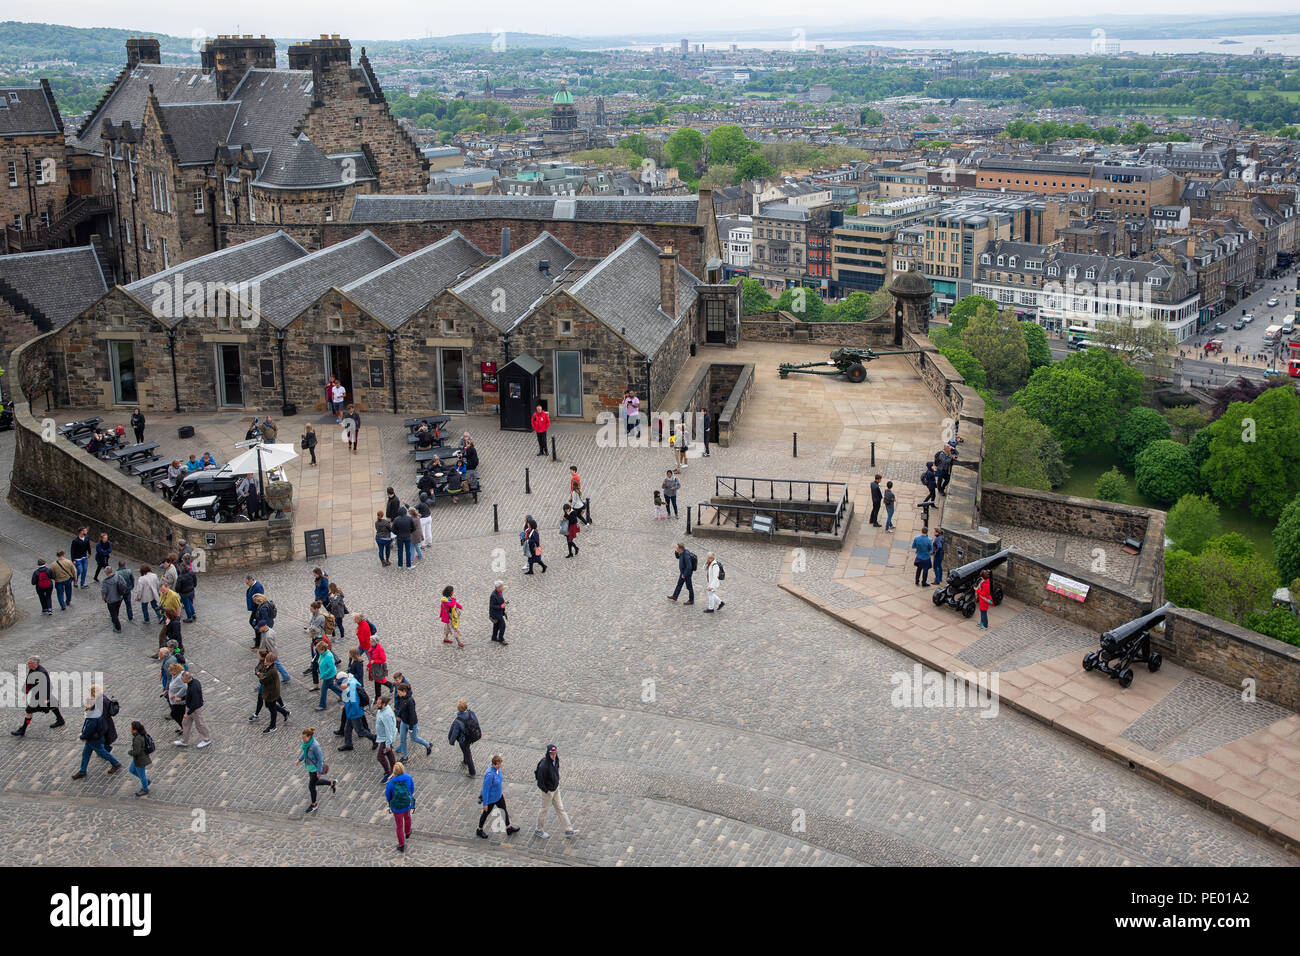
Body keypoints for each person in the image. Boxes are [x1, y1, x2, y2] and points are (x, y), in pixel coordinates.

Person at [11, 657, 65, 736]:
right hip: (39, 694)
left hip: (41, 697)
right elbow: (28, 681)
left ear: (34, 664)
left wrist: (46, 700)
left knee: (29, 711)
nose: (27, 664)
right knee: (53, 704)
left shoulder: (42, 672)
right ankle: (60, 720)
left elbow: (47, 686)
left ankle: (23, 729)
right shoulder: (32, 669)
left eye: (29, 663)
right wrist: (25, 692)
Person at [72, 693, 121, 780]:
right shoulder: (93, 711)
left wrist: (82, 737)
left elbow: (89, 730)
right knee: (86, 754)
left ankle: (116, 764)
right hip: (93, 739)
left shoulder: (93, 716)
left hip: (94, 740)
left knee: (103, 754)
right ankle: (82, 771)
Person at [533, 744, 578, 838]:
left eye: (555, 753)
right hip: (548, 792)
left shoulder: (556, 760)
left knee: (560, 808)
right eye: (552, 754)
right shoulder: (543, 765)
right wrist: (546, 791)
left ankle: (568, 830)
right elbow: (540, 782)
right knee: (544, 810)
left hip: (556, 789)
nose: (554, 755)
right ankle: (538, 830)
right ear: (548, 753)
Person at [477, 754, 520, 839]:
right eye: (497, 764)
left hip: (499, 796)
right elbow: (485, 790)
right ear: (493, 764)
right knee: (485, 814)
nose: (499, 766)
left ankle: (508, 828)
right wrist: (485, 803)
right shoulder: (489, 775)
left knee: (504, 810)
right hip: (491, 799)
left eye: (500, 764)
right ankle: (479, 829)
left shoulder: (498, 770)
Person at [297, 728, 336, 814]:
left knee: (311, 786)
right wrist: (299, 760)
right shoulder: (306, 744)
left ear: (309, 736)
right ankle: (332, 783)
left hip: (315, 769)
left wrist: (318, 772)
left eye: (304, 738)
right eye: (302, 737)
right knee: (315, 782)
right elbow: (305, 752)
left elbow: (320, 760)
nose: (302, 739)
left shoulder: (315, 746)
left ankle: (314, 804)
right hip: (310, 767)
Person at [337, 673, 375, 751]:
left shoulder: (351, 691)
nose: (339, 688)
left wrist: (351, 714)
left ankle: (374, 738)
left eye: (340, 686)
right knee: (347, 729)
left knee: (360, 731)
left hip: (354, 714)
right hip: (352, 713)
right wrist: (345, 706)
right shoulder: (351, 685)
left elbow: (354, 704)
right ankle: (348, 744)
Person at [393, 683, 432, 760]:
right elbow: (401, 708)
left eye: (399, 692)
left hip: (411, 724)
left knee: (414, 738)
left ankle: (427, 745)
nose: (397, 693)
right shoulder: (402, 698)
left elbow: (412, 715)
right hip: (404, 722)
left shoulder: (410, 701)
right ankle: (405, 756)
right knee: (402, 739)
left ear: (403, 691)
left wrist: (411, 728)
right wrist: (399, 716)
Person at [175, 672, 212, 748]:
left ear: (187, 679)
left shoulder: (193, 687)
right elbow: (189, 696)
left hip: (195, 709)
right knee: (185, 723)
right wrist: (181, 699)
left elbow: (195, 703)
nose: (181, 680)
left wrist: (188, 713)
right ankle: (184, 741)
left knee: (200, 724)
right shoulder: (194, 682)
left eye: (182, 679)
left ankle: (206, 739)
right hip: (191, 707)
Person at [385, 761, 416, 851]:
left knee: (399, 826)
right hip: (407, 804)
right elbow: (412, 789)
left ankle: (401, 844)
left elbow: (388, 796)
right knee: (407, 817)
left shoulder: (391, 783)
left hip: (397, 807)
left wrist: (390, 802)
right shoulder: (408, 778)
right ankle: (408, 832)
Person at [258, 653, 291, 734]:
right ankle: (285, 712)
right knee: (270, 706)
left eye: (267, 661)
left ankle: (273, 726)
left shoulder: (272, 671)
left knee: (272, 709)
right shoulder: (269, 667)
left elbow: (263, 679)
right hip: (269, 691)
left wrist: (259, 674)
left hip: (271, 692)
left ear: (272, 662)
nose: (265, 662)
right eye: (265, 660)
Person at [448, 700, 479, 776]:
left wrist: (451, 741)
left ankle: (472, 772)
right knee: (466, 750)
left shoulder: (458, 721)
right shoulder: (471, 713)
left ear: (458, 709)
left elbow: (454, 733)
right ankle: (465, 761)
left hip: (463, 740)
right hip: (471, 736)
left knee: (467, 753)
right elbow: (476, 722)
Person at [100, 564, 127, 632]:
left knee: (113, 614)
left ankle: (118, 627)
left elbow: (104, 592)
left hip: (111, 600)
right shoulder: (118, 576)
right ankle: (115, 620)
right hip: (119, 598)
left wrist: (104, 599)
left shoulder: (105, 582)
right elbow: (124, 584)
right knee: (116, 610)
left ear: (106, 573)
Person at [315, 640, 341, 710]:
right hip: (326, 675)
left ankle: (322, 705)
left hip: (328, 676)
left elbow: (331, 668)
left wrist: (323, 675)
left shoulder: (328, 656)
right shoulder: (322, 654)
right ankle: (343, 695)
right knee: (332, 686)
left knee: (323, 690)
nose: (318, 652)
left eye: (319, 650)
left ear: (323, 649)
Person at [128, 721, 152, 796]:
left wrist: (130, 752)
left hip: (140, 760)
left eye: (131, 728)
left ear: (135, 730)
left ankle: (145, 789)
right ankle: (146, 781)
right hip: (138, 759)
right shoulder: (139, 735)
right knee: (131, 769)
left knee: (142, 775)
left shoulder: (137, 739)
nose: (130, 729)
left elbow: (136, 752)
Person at [368, 637, 391, 703]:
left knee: (378, 682)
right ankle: (390, 685)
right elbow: (371, 658)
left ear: (375, 642)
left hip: (379, 667)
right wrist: (368, 665)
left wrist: (375, 661)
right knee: (379, 681)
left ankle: (378, 697)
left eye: (371, 641)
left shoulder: (380, 649)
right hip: (374, 667)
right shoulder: (372, 648)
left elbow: (383, 660)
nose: (370, 642)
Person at [166, 663, 187, 733]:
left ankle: (184, 727)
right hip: (175, 701)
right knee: (180, 714)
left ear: (175, 671)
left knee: (175, 714)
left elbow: (185, 687)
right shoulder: (176, 676)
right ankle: (183, 727)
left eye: (171, 671)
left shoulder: (179, 678)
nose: (170, 673)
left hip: (178, 701)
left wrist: (177, 695)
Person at [489, 581, 508, 645]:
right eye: (502, 586)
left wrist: (503, 604)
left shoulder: (499, 592)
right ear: (498, 587)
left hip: (499, 612)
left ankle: (494, 637)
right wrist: (500, 606)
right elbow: (492, 606)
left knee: (496, 625)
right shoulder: (493, 595)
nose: (503, 587)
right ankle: (501, 639)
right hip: (496, 613)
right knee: (503, 625)